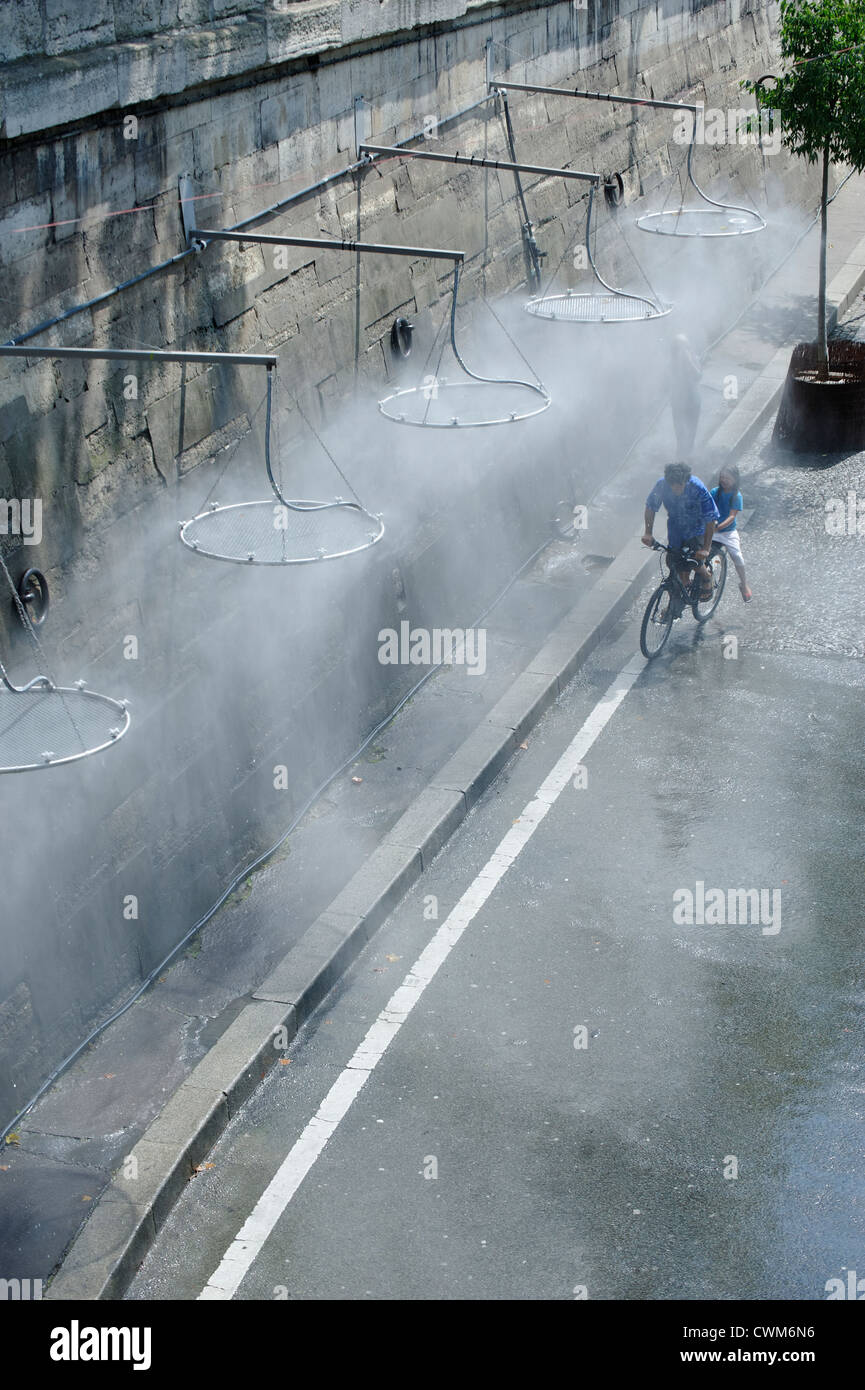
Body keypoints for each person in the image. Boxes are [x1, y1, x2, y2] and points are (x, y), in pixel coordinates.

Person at [642, 461, 719, 599]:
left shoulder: (698, 488)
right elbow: (650, 507)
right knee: (672, 562)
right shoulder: (662, 485)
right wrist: (648, 533)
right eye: (673, 487)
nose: (676, 490)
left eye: (680, 486)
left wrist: (706, 548)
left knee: (693, 560)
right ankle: (675, 604)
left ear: (686, 481)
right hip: (675, 527)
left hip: (697, 528)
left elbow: (711, 518)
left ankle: (706, 576)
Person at [711, 464, 752, 601]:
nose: (724, 480)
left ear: (735, 479)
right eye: (722, 477)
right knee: (709, 558)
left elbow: (732, 516)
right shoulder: (714, 492)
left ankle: (744, 584)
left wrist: (719, 527)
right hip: (713, 530)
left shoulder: (736, 496)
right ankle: (705, 583)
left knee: (737, 556)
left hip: (728, 532)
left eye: (727, 478)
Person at [669, 333, 702, 460]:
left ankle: (688, 459)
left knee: (691, 432)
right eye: (680, 348)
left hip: (693, 400)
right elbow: (667, 383)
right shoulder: (671, 363)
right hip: (678, 402)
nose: (683, 351)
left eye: (686, 347)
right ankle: (680, 459)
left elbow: (698, 376)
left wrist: (689, 362)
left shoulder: (694, 359)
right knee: (681, 435)